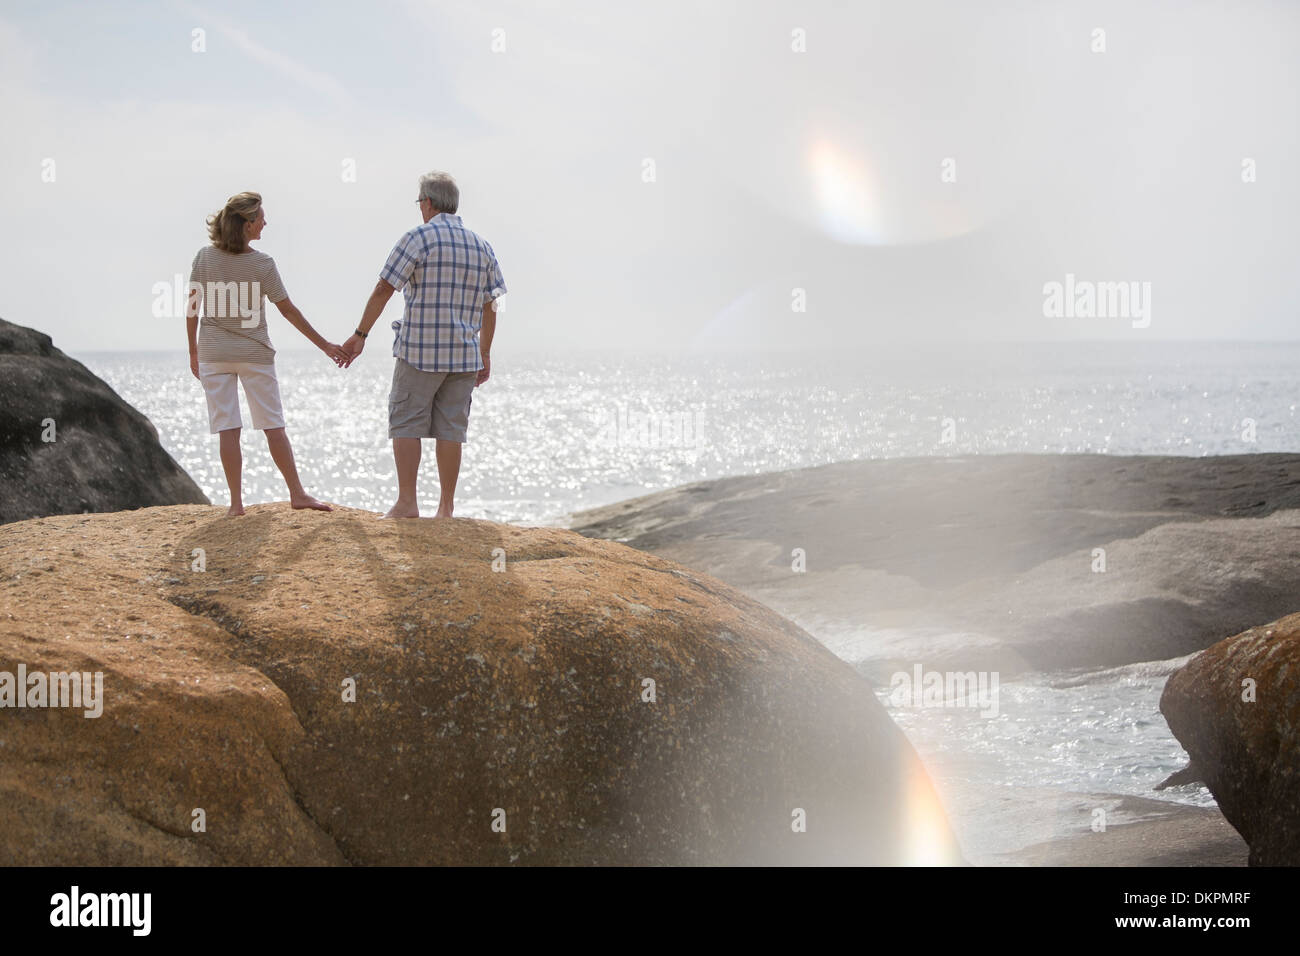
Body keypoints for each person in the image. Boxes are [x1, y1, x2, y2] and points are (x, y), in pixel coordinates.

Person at [339, 171, 506, 519]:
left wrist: (361, 334)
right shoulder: (481, 245)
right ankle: (445, 507)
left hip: (419, 350)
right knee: (451, 429)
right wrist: (485, 351)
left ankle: (407, 502)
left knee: (406, 422)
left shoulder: (418, 238)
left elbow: (385, 288)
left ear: (427, 203)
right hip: (463, 354)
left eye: (419, 203)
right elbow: (492, 305)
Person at [186, 191, 346, 516]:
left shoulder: (204, 257)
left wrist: (193, 352)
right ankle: (298, 494)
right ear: (246, 225)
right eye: (260, 218)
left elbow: (192, 308)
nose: (265, 222)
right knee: (273, 425)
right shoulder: (262, 263)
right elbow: (288, 311)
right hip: (253, 353)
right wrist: (326, 346)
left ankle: (235, 505)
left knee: (228, 428)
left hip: (213, 354)